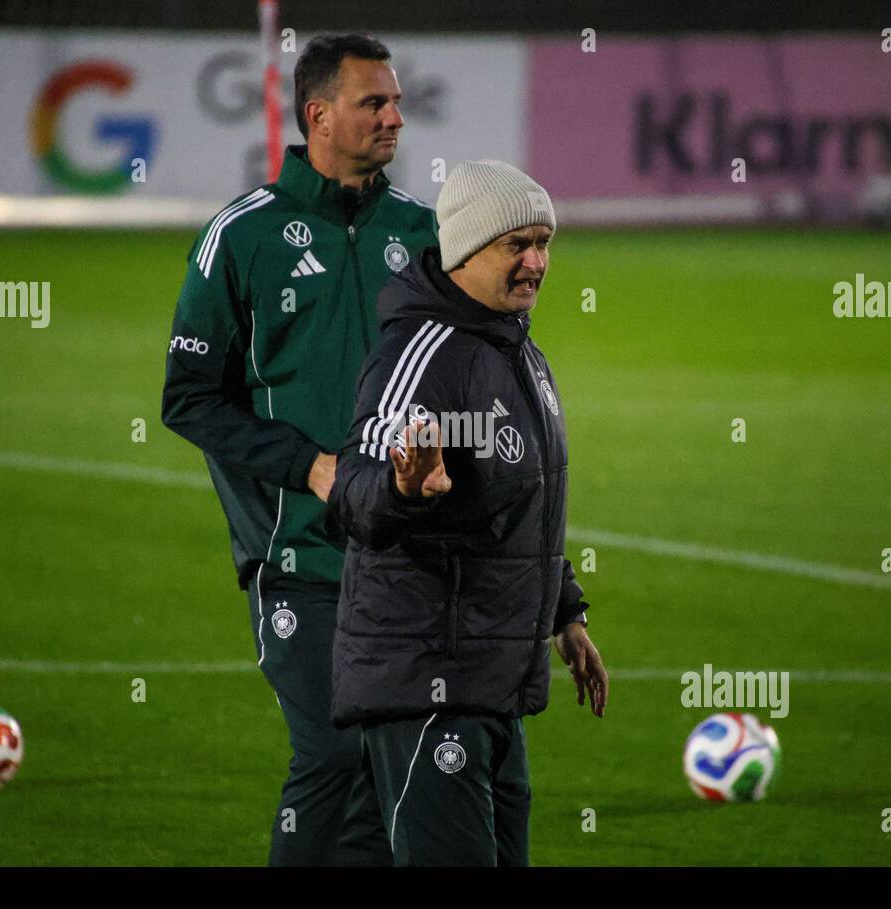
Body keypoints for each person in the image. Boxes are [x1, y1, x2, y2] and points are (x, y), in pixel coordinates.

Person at [161, 33, 438, 866]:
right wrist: (308, 467)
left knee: (389, 775)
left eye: (395, 101)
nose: (395, 116)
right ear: (318, 115)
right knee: (331, 753)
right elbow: (188, 400)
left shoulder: (424, 235)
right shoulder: (240, 237)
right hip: (299, 556)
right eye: (373, 103)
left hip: (408, 558)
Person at [328, 160, 609, 866]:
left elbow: (520, 507)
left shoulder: (516, 349)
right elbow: (354, 493)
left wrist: (564, 613)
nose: (538, 262)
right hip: (428, 680)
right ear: (464, 249)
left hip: (489, 683)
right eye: (517, 245)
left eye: (544, 243)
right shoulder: (421, 355)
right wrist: (402, 489)